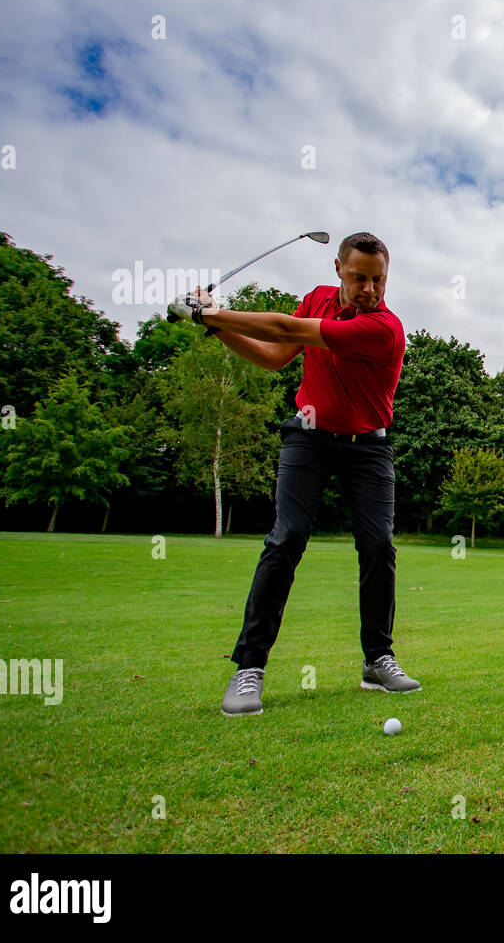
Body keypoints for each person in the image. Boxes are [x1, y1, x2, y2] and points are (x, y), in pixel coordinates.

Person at [167, 231, 420, 716]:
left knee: (377, 546)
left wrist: (205, 312)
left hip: (368, 447)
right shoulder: (316, 300)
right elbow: (272, 356)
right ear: (338, 270)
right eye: (359, 277)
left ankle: (378, 660)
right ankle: (248, 669)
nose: (369, 289)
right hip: (308, 436)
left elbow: (286, 331)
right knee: (287, 537)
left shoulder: (384, 328)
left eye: (378, 280)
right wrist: (215, 327)